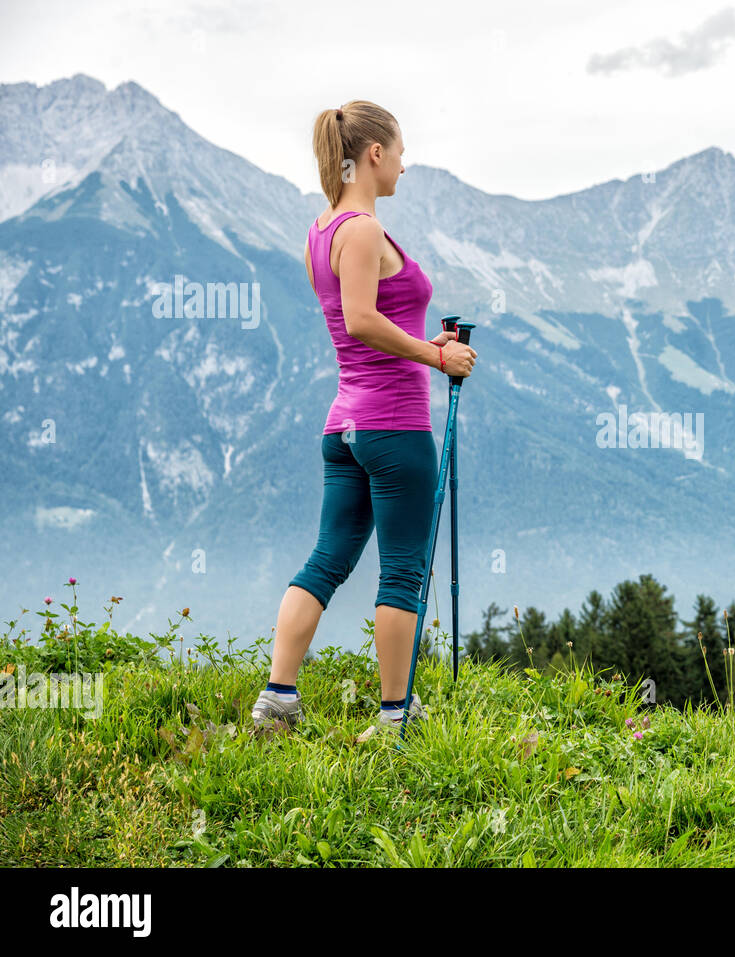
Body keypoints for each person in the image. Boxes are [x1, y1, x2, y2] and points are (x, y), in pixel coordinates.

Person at [250, 100, 477, 733]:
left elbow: (360, 329)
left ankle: (278, 700)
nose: (404, 164)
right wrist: (438, 355)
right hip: (395, 426)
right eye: (399, 151)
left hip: (344, 427)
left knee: (327, 559)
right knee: (403, 568)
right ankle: (394, 713)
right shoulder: (364, 230)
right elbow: (361, 320)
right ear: (374, 154)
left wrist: (428, 343)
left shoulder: (318, 231)